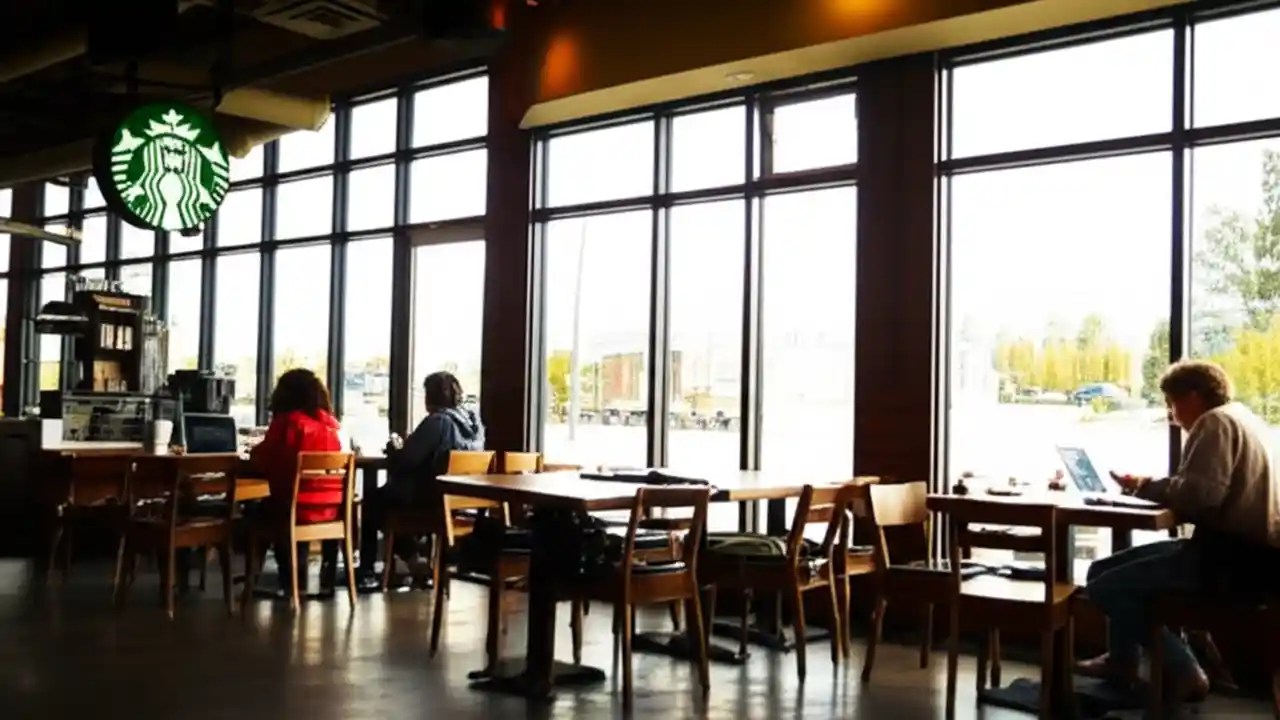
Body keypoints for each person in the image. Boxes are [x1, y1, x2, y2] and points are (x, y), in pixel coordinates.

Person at [1079, 360, 1280, 701]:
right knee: (1101, 569)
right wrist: (1148, 486)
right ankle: (1122, 661)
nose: (1172, 415)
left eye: (1172, 403)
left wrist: (1147, 487)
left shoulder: (1214, 423)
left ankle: (1185, 670)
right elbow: (1204, 489)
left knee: (1106, 587)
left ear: (1193, 396)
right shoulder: (1241, 417)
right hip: (1254, 556)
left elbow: (1201, 496)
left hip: (1231, 562)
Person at [362, 371, 485, 582]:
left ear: (431, 396)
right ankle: (413, 558)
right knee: (388, 501)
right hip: (460, 502)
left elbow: (406, 460)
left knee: (373, 502)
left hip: (428, 499)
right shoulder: (476, 428)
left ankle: (370, 571)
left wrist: (394, 450)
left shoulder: (438, 422)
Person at [250, 368, 345, 592]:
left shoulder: (287, 423)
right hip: (329, 511)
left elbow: (262, 460)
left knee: (254, 512)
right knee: (283, 504)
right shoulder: (330, 427)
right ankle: (305, 581)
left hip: (293, 509)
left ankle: (260, 580)